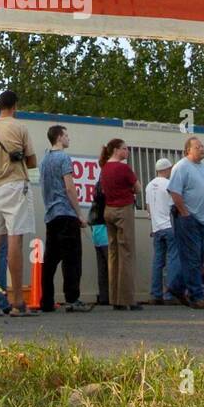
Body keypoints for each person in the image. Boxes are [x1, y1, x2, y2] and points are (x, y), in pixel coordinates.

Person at [0, 90, 38, 317]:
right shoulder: (20, 127)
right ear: (15, 106)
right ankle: (17, 301)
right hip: (14, 186)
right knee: (15, 239)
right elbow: (32, 161)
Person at [38, 125, 92, 313]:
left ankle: (46, 301)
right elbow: (69, 187)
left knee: (50, 260)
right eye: (67, 135)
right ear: (59, 137)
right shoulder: (64, 158)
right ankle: (72, 299)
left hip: (51, 215)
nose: (69, 139)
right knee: (72, 259)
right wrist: (79, 213)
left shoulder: (44, 161)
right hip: (66, 214)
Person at [166, 136, 204, 309]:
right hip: (189, 218)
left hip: (203, 219)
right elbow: (174, 191)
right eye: (197, 147)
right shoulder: (181, 167)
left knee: (199, 256)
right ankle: (196, 296)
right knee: (192, 257)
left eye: (202, 146)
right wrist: (184, 213)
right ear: (188, 150)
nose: (202, 149)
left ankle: (176, 286)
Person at [99, 138, 143, 310]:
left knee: (113, 253)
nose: (127, 152)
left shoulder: (104, 168)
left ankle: (114, 298)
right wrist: (130, 190)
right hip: (123, 210)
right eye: (125, 149)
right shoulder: (123, 168)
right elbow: (138, 188)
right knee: (127, 253)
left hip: (108, 210)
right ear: (116, 150)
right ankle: (127, 299)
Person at [144, 157, 176, 304]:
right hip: (169, 226)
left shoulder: (149, 186)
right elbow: (174, 205)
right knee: (172, 260)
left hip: (156, 228)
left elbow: (149, 208)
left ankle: (156, 294)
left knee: (157, 261)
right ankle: (170, 294)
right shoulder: (169, 184)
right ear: (167, 169)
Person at [89, 180, 110, 306]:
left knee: (102, 267)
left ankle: (104, 296)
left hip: (96, 229)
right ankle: (114, 295)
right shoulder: (104, 199)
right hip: (104, 230)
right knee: (111, 264)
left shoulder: (95, 200)